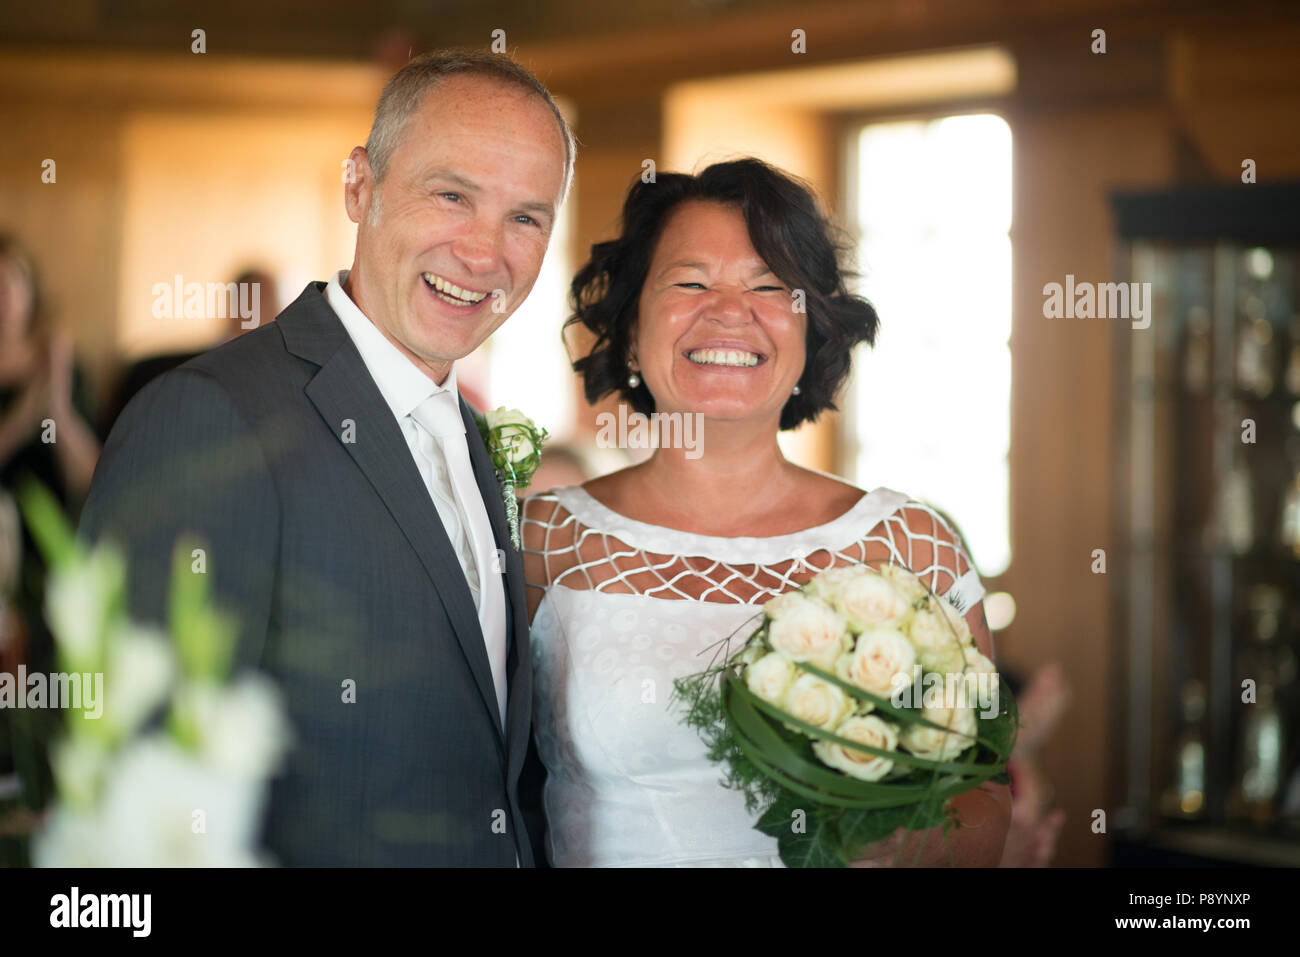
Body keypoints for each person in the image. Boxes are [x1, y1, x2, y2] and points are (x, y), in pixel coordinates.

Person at [79, 50, 573, 866]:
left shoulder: (471, 435)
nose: (485, 254)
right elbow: (137, 790)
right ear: (359, 187)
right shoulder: (211, 415)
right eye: (452, 195)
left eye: (526, 217)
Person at [521, 158, 1012, 867]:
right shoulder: (543, 538)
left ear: (812, 329)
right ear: (630, 328)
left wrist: (899, 846)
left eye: (769, 286)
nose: (728, 310)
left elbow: (983, 794)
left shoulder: (910, 544)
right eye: (690, 282)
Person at [0, 233, 102, 818]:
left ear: (30, 294)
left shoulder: (60, 368)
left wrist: (57, 404)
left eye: (10, 284)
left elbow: (91, 477)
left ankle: (44, 786)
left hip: (48, 556)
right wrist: (26, 407)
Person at [101, 268, 280, 431]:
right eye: (264, 301)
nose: (275, 313)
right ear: (237, 303)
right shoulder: (151, 374)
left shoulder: (275, 383)